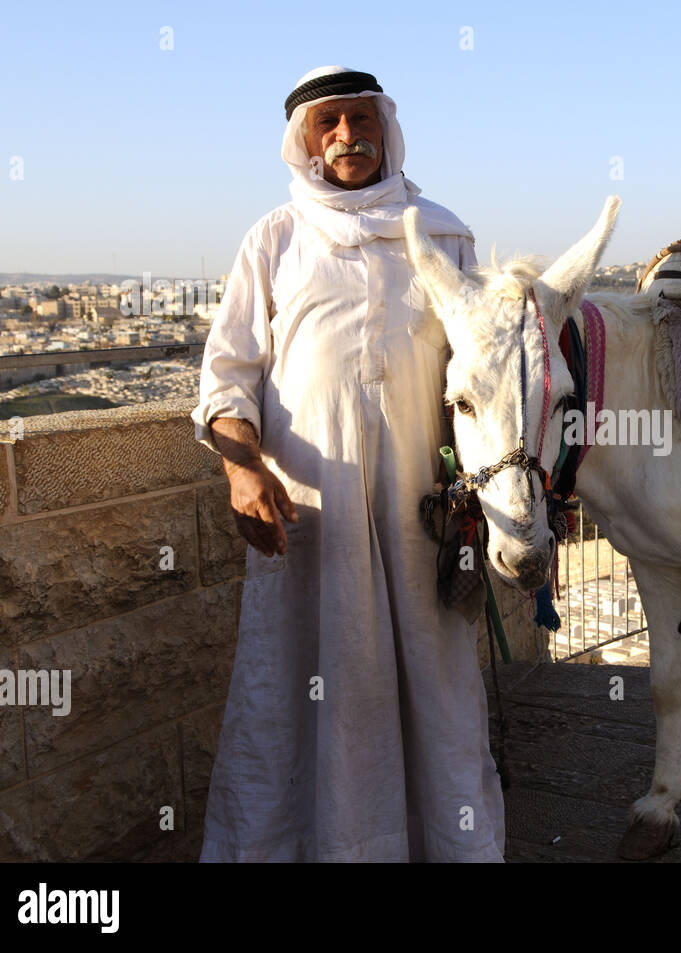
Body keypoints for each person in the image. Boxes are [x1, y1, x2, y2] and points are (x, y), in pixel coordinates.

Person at [190, 65, 504, 862]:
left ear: (386, 127)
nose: (344, 136)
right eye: (326, 123)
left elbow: (489, 373)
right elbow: (227, 375)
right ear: (302, 139)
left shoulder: (444, 233)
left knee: (434, 685)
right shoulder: (274, 239)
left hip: (421, 512)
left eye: (359, 118)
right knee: (301, 686)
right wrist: (240, 468)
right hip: (310, 517)